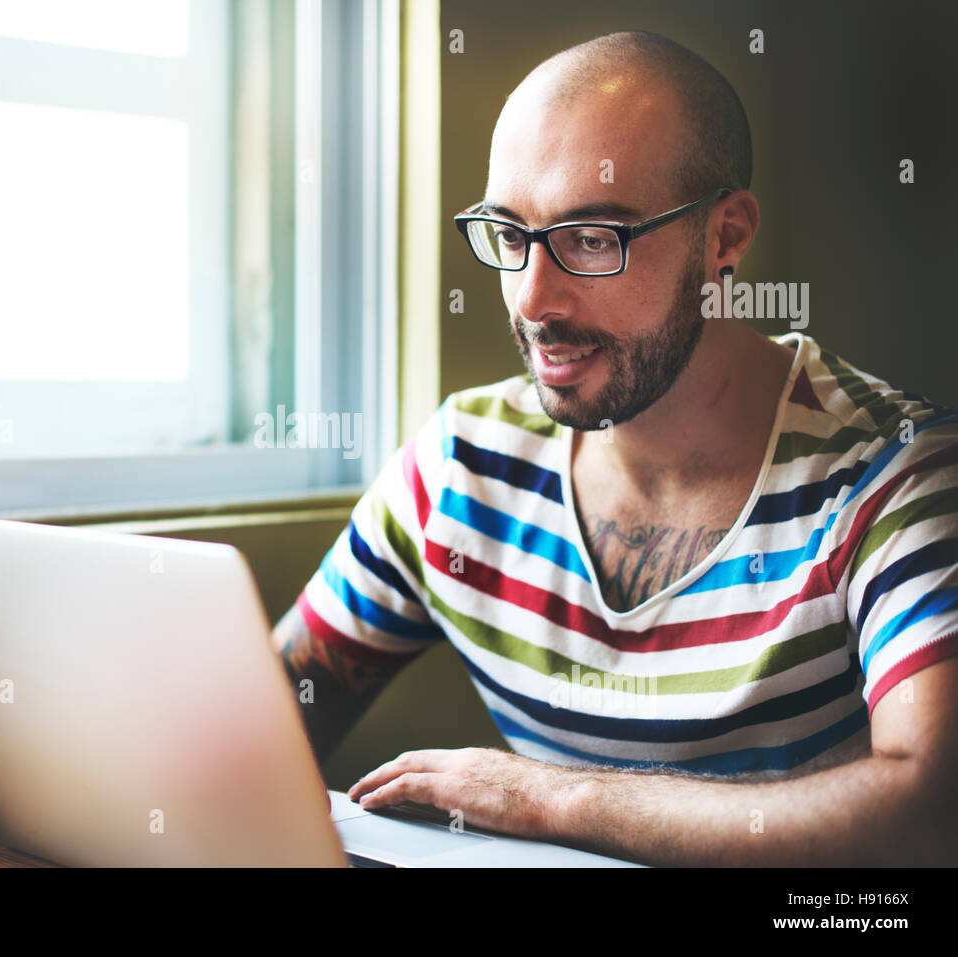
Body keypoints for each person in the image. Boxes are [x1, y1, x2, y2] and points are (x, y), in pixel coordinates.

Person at [276, 30, 958, 866]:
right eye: (510, 234)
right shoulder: (460, 465)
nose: (533, 300)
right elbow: (270, 713)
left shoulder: (895, 473)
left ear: (724, 237)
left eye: (593, 238)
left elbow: (929, 807)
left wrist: (558, 795)